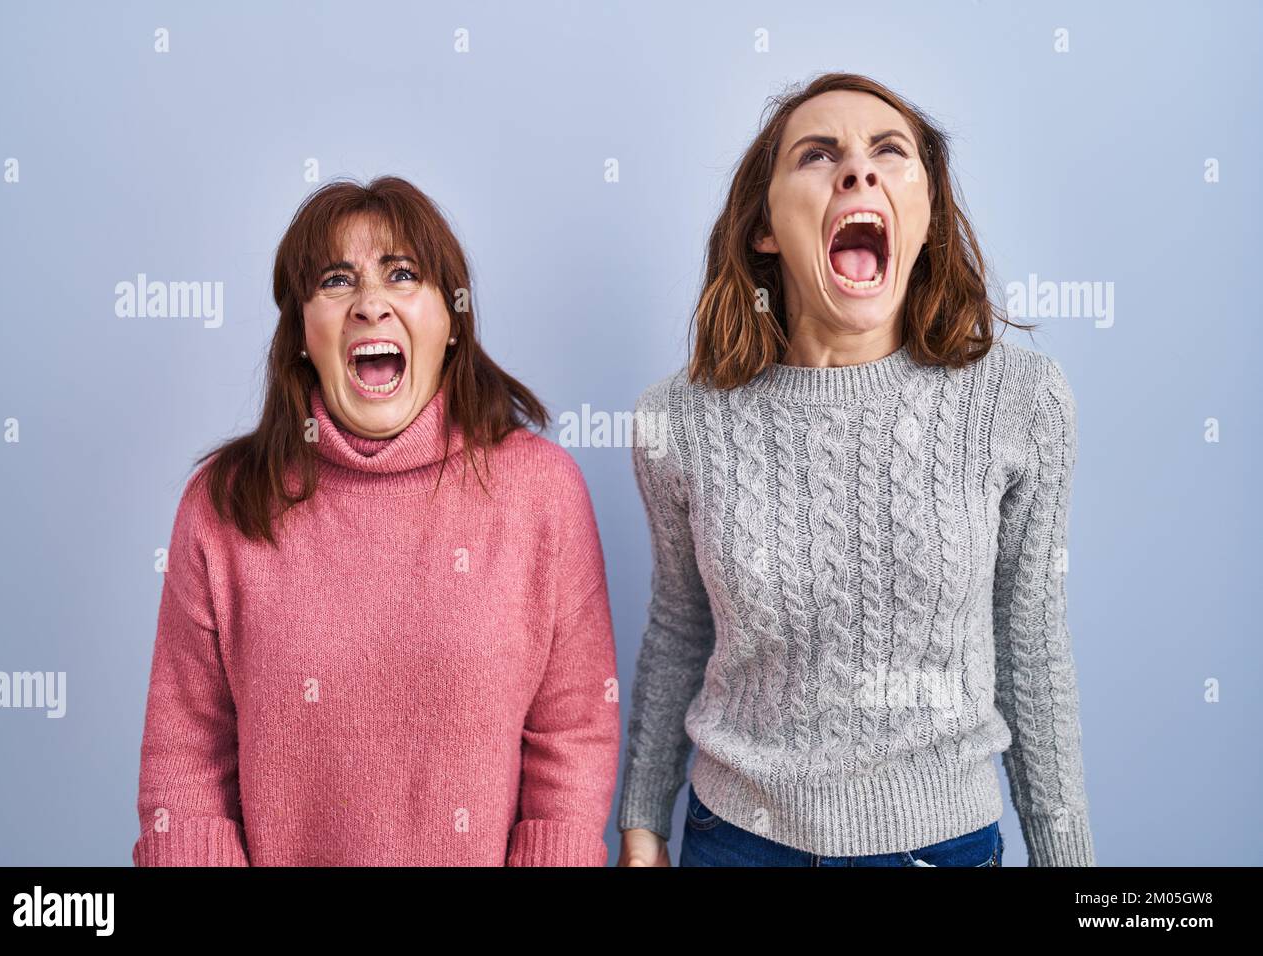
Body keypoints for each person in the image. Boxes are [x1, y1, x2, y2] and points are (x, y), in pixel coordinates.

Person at [617, 73, 1094, 867]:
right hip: (734, 841)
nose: (858, 171)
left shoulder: (1020, 401)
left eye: (888, 152)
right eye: (818, 154)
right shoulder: (679, 421)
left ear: (926, 211)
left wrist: (1072, 868)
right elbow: (678, 628)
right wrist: (642, 822)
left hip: (941, 847)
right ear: (766, 228)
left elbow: (1032, 647)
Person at [132, 176, 619, 866]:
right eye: (336, 281)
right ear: (303, 332)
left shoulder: (541, 490)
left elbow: (572, 732)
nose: (370, 304)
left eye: (403, 274)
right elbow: (186, 760)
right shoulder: (223, 503)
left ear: (451, 322)